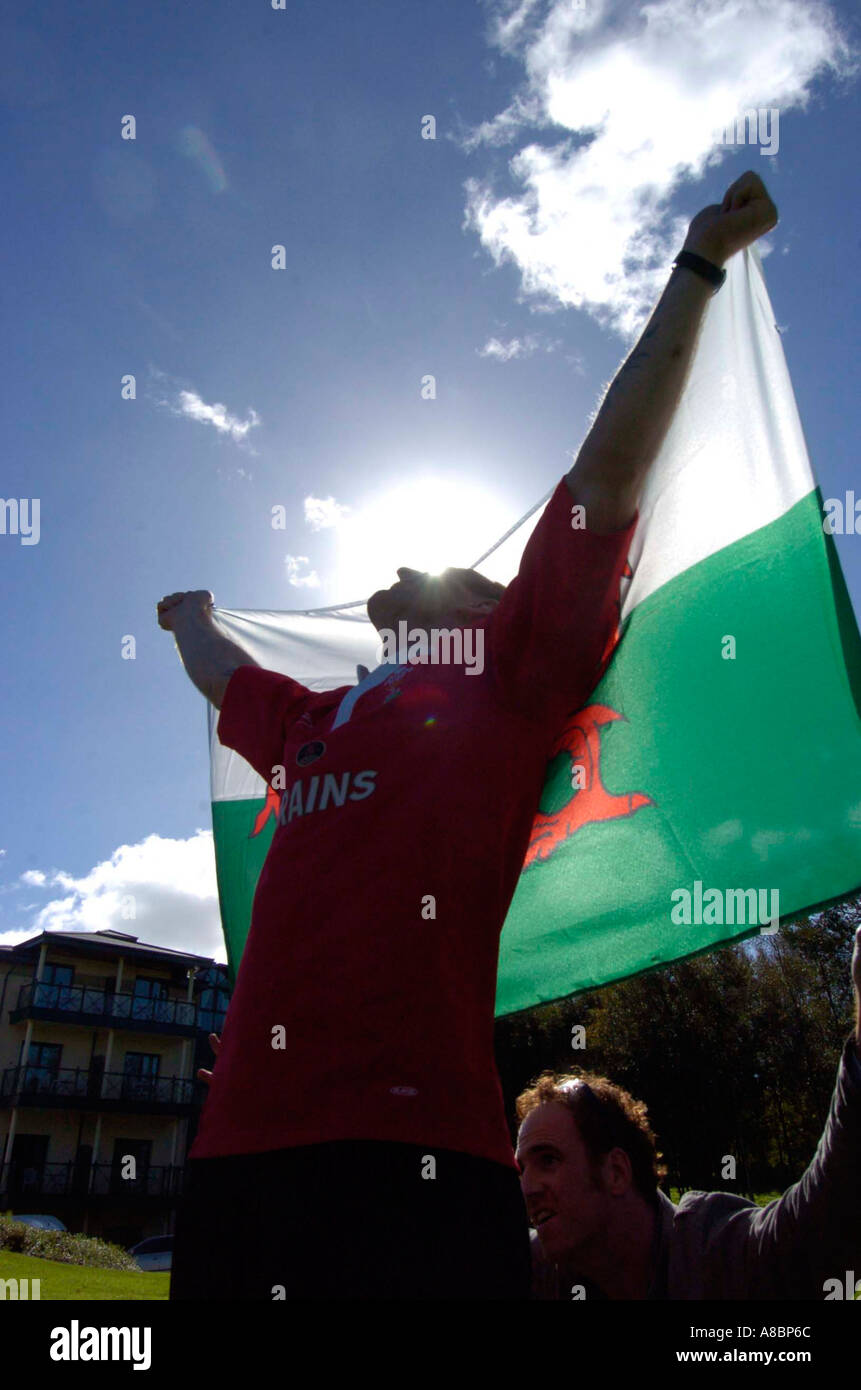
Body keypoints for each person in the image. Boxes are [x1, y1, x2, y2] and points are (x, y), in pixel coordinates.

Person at [159, 170, 778, 1300]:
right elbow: (224, 680)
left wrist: (697, 264)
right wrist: (189, 621)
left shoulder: (508, 675)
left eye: (433, 570)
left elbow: (605, 473)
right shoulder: (313, 718)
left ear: (479, 608)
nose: (400, 573)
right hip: (240, 1151)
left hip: (421, 1161)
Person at [521, 926, 861, 1300]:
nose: (527, 1188)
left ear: (616, 1171)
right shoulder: (541, 1275)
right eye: (523, 1169)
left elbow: (829, 1219)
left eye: (548, 1160)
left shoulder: (717, 1255)